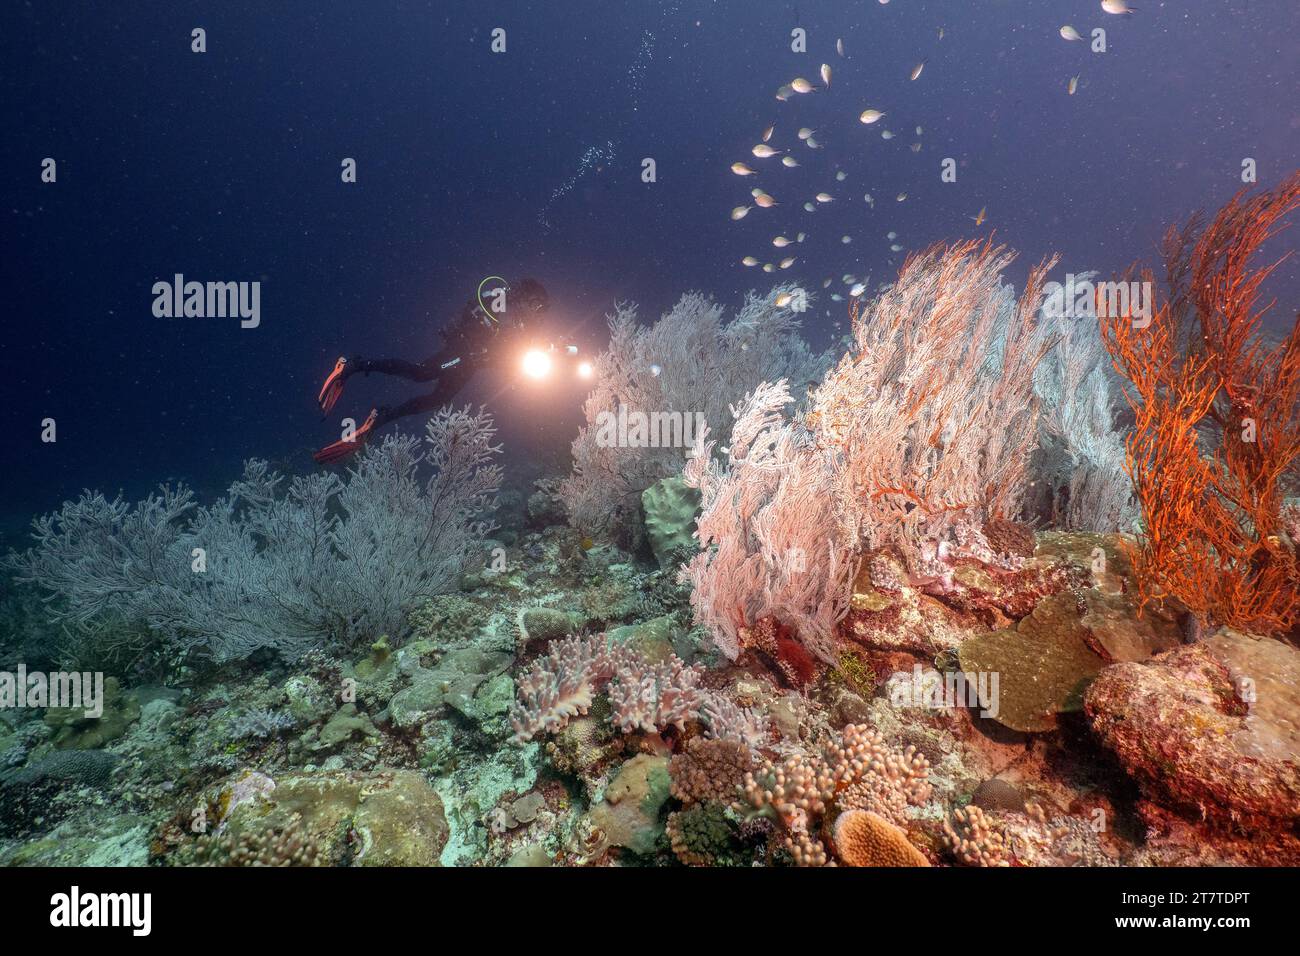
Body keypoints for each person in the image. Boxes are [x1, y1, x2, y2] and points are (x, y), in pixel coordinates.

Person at [313, 278, 550, 463]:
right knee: (420, 373)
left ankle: (380, 418)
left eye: (540, 310)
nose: (537, 313)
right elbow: (479, 322)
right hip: (462, 352)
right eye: (536, 305)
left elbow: (508, 355)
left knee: (438, 399)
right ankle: (354, 366)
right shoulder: (501, 302)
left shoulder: (520, 325)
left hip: (470, 364)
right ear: (525, 297)